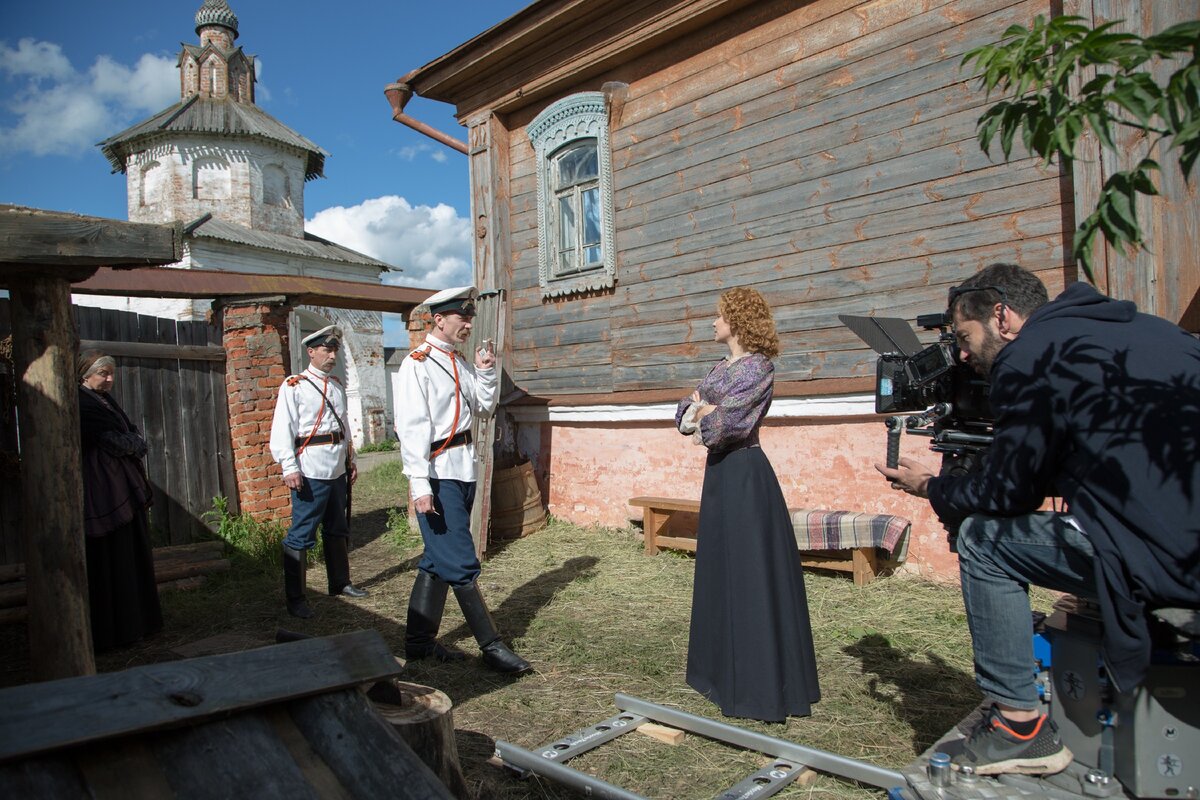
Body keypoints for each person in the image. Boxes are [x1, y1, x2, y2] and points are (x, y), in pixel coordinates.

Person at [877, 263, 1200, 776]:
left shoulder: (1032, 356)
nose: (961, 354)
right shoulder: (1150, 330)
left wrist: (932, 487)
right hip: (1181, 533)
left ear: (1002, 315)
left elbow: (1009, 494)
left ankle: (1019, 726)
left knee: (983, 539)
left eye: (964, 336)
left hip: (1172, 561)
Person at [675, 287, 820, 722]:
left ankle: (757, 687)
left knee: (749, 574)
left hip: (745, 476)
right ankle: (719, 676)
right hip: (719, 477)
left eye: (719, 316)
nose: (713, 323)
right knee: (721, 571)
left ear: (736, 320)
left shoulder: (759, 367)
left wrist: (703, 411)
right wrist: (699, 411)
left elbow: (727, 424)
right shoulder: (722, 367)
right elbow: (686, 408)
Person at [396, 286, 530, 674]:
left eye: (470, 318)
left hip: (463, 469)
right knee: (460, 561)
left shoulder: (458, 362)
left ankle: (418, 644)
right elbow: (412, 429)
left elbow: (485, 408)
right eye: (462, 318)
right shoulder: (417, 364)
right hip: (437, 475)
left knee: (437, 560)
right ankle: (491, 647)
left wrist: (486, 371)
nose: (469, 324)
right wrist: (420, 486)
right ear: (439, 319)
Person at [269, 325, 367, 619]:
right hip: (309, 468)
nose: (331, 355)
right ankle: (296, 599)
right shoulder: (294, 385)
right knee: (301, 534)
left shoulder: (336, 386)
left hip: (336, 468)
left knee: (337, 528)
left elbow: (344, 428)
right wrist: (289, 466)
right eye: (326, 349)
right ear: (311, 352)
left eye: (334, 349)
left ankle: (340, 583)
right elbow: (282, 429)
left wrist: (350, 461)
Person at [78, 350, 163, 651]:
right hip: (104, 488)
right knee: (113, 553)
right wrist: (135, 444)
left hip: (121, 481)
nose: (110, 379)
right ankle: (118, 628)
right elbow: (114, 441)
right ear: (85, 374)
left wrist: (135, 442)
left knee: (133, 549)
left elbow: (132, 433)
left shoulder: (105, 400)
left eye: (111, 373)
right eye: (104, 373)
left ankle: (141, 621)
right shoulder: (82, 402)